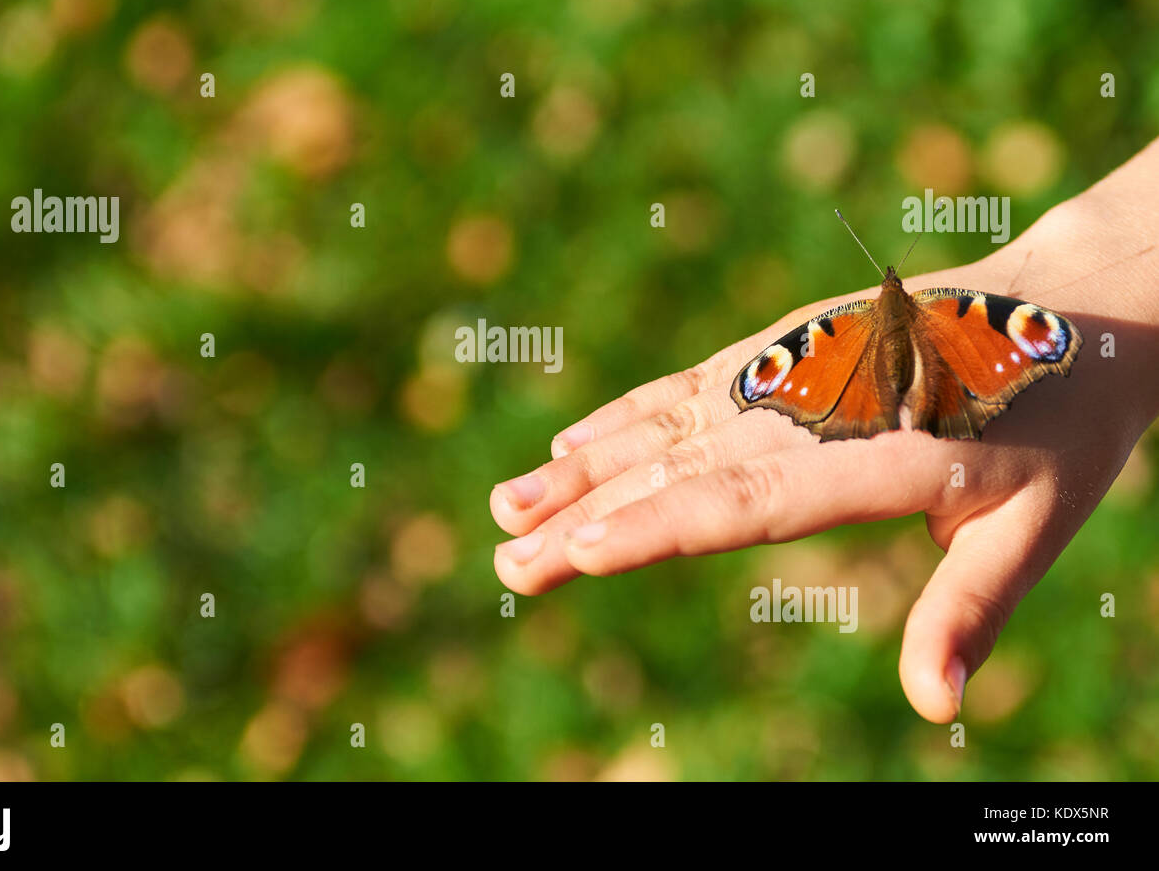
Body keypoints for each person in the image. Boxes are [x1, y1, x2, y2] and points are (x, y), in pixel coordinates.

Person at [489, 137, 1159, 724]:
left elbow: (780, 369)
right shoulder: (955, 315)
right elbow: (770, 373)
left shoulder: (847, 325)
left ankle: (877, 404)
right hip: (941, 366)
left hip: (871, 377)